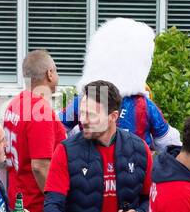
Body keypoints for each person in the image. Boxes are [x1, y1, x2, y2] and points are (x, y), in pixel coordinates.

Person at [45, 80, 153, 212]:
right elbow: (52, 205)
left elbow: (151, 201)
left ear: (113, 117)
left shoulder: (139, 149)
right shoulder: (66, 150)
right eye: (82, 113)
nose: (83, 120)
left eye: (91, 115)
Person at [63, 18, 179, 151]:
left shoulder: (84, 100)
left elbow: (57, 128)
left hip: (90, 167)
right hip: (135, 168)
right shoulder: (143, 105)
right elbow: (169, 143)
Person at [3, 50, 64, 212]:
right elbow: (40, 166)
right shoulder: (40, 110)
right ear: (49, 73)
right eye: (56, 70)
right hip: (37, 210)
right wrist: (54, 204)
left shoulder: (14, 104)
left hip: (19, 202)